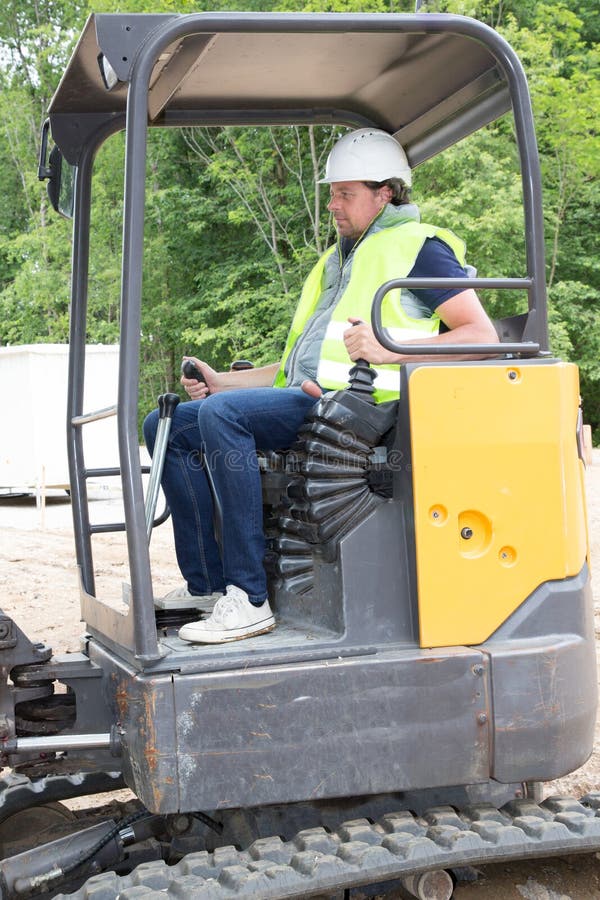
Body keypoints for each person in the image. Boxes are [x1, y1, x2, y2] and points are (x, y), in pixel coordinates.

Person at [143, 128, 499, 645]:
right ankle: (208, 584)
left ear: (385, 193)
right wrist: (223, 383)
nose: (332, 203)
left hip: (363, 410)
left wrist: (390, 349)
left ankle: (249, 598)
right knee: (168, 424)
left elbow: (480, 336)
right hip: (312, 400)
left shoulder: (420, 249)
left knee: (224, 418)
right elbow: (292, 369)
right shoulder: (337, 261)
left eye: (344, 193)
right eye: (330, 192)